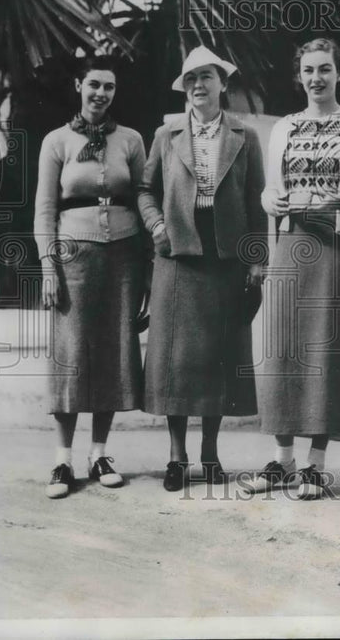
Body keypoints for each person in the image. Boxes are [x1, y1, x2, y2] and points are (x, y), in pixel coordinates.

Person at [246, 37, 340, 500]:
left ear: (339, 73)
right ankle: (282, 460)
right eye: (308, 71)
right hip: (291, 241)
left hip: (337, 246)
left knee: (325, 351)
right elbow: (268, 191)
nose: (316, 78)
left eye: (325, 69)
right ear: (299, 76)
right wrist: (270, 201)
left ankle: (315, 465)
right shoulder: (284, 128)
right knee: (282, 348)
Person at [138, 46, 267, 491]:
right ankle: (177, 457)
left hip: (226, 256)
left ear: (222, 84)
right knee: (177, 361)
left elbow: (256, 203)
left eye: (207, 77)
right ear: (184, 87)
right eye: (191, 78)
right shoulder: (166, 134)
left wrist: (256, 261)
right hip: (176, 255)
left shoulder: (244, 135)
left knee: (219, 357)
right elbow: (144, 189)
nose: (198, 85)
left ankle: (210, 454)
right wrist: (156, 224)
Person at [34, 55, 147, 499]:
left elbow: (143, 199)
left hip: (124, 256)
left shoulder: (131, 140)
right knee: (71, 352)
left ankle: (100, 453)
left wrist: (148, 272)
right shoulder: (56, 141)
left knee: (113, 350)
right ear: (79, 86)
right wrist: (48, 265)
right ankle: (62, 460)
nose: (101, 93)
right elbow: (44, 209)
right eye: (94, 85)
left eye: (109, 87)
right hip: (72, 256)